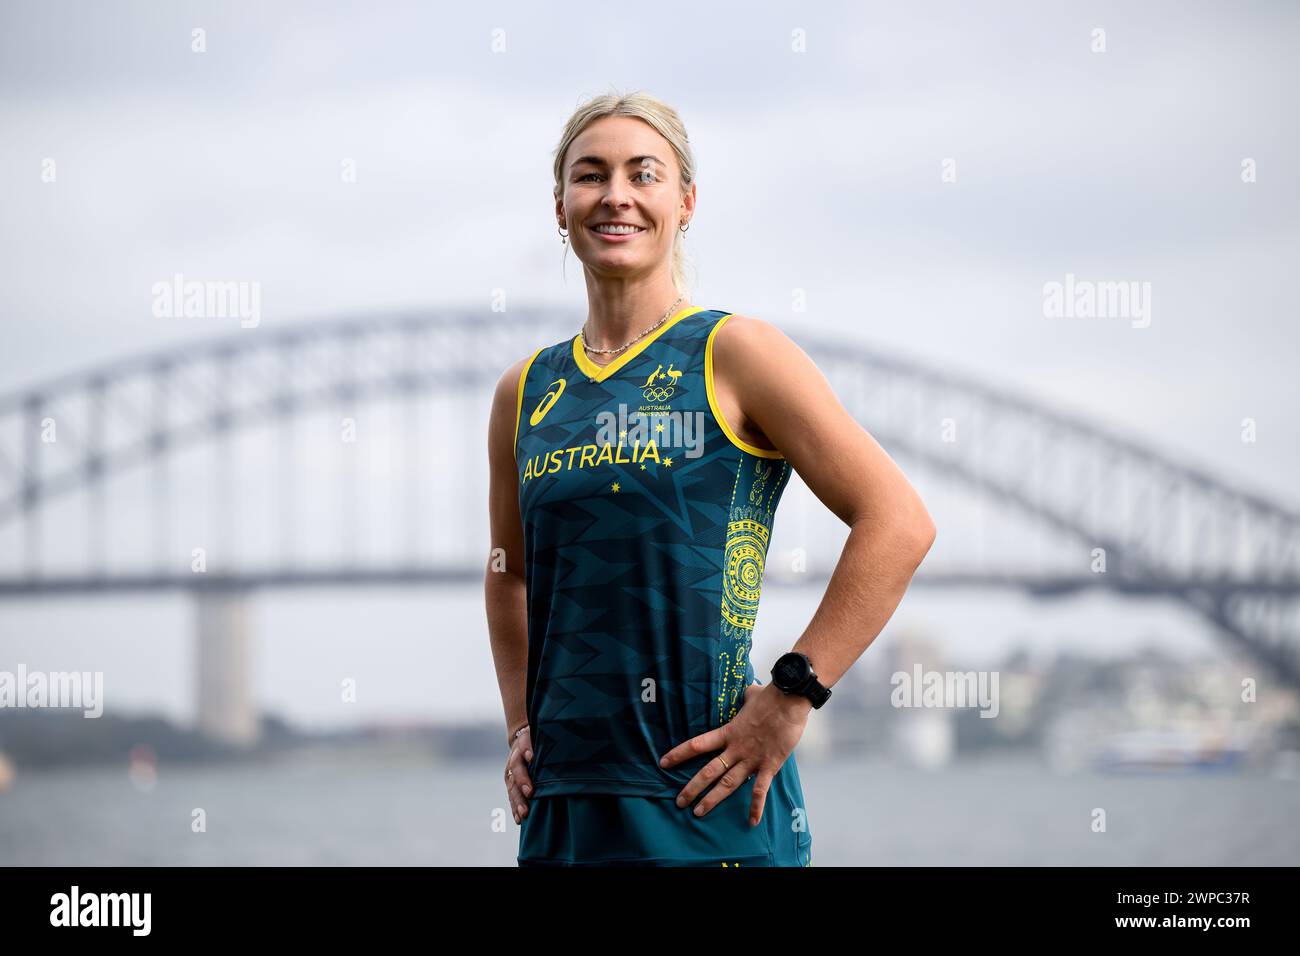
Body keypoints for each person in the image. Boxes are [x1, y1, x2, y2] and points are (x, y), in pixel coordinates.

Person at [485, 91, 935, 866]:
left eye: (643, 173)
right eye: (589, 176)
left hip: (711, 798)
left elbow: (897, 521)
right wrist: (522, 725)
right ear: (561, 207)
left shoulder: (738, 354)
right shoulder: (525, 391)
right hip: (566, 811)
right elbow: (509, 574)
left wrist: (794, 694)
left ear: (684, 201)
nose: (615, 195)